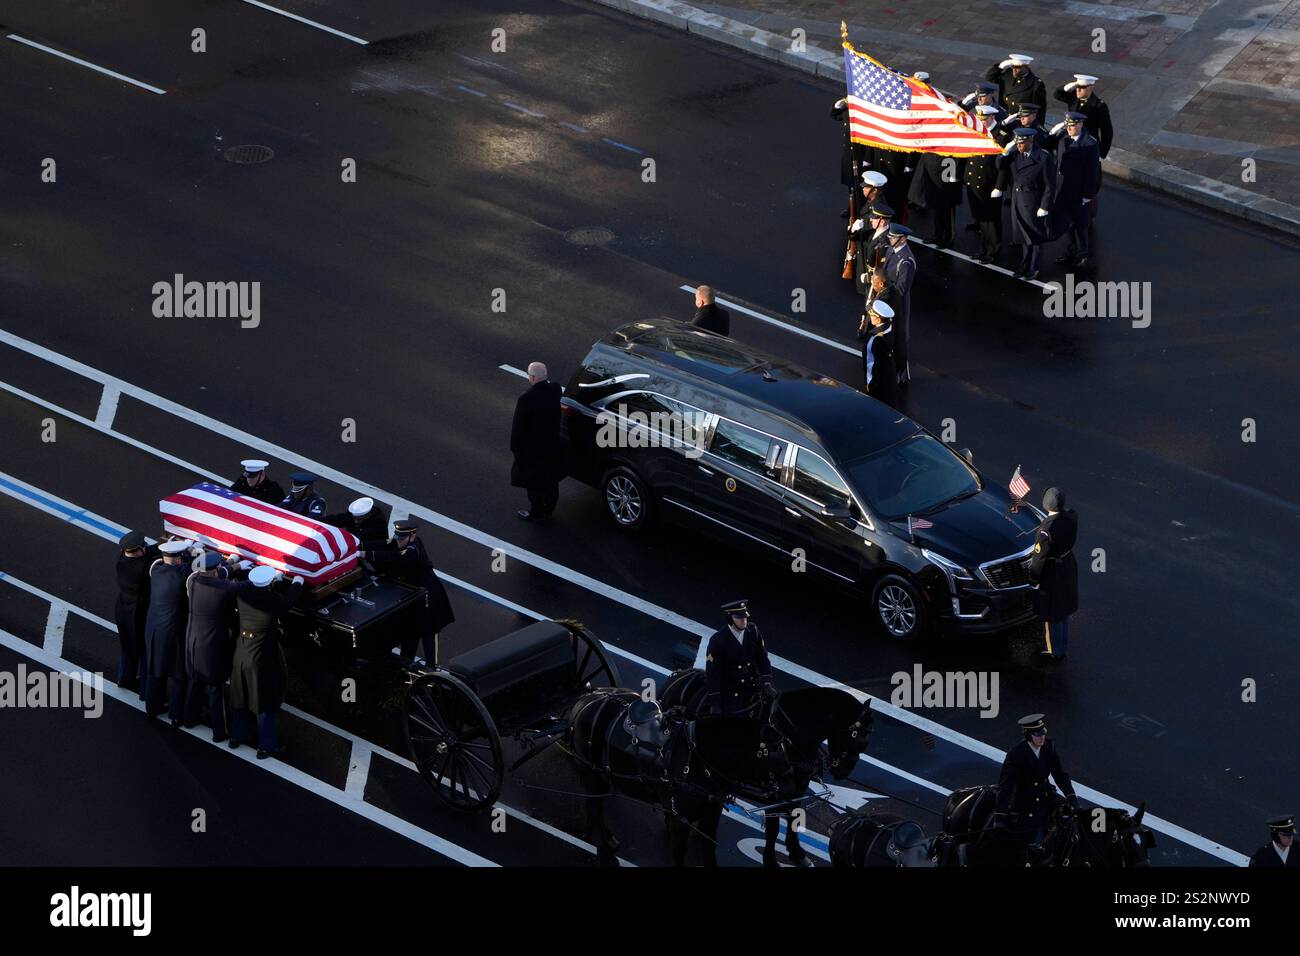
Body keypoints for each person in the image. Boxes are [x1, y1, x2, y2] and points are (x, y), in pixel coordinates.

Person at [229, 565, 304, 759]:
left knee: (240, 695)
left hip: (241, 652)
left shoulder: (242, 594)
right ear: (270, 585)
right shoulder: (272, 601)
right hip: (262, 656)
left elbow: (244, 584)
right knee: (265, 700)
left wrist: (272, 578)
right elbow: (288, 601)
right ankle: (266, 745)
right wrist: (296, 583)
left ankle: (237, 736)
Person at [360, 520, 455, 664]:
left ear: (413, 535)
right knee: (410, 631)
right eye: (398, 537)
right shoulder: (402, 542)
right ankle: (406, 663)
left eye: (402, 538)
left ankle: (431, 669)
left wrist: (363, 554)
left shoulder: (413, 550)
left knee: (429, 634)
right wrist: (357, 545)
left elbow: (394, 557)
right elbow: (384, 543)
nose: (398, 541)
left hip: (428, 595)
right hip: (414, 596)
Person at [993, 714, 1076, 846]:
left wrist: (1071, 797)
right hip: (1027, 802)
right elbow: (1006, 786)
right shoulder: (1016, 754)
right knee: (1026, 842)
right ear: (1028, 735)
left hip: (1047, 795)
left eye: (1043, 733)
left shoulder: (1049, 747)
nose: (1042, 737)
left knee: (1070, 818)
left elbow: (1060, 774)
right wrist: (1000, 815)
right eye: (1037, 735)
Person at [184, 551, 242, 742]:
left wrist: (232, 565)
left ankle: (189, 719)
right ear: (216, 570)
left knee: (194, 683)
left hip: (193, 642)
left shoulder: (193, 582)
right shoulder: (225, 589)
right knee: (215, 689)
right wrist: (238, 567)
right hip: (213, 647)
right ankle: (220, 731)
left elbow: (216, 577)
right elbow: (237, 587)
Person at [143, 538, 198, 722]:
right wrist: (193, 552)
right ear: (178, 560)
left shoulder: (156, 571)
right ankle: (176, 715)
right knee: (177, 674)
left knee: (155, 670)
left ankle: (152, 707)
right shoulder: (181, 575)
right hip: (173, 632)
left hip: (154, 630)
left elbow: (166, 561)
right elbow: (194, 568)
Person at [998, 126, 1057, 279]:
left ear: (1030, 141)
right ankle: (1024, 264)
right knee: (1023, 236)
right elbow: (999, 166)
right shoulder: (1015, 154)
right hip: (1018, 200)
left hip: (1033, 202)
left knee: (1035, 237)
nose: (1018, 146)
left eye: (1021, 143)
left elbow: (1050, 185)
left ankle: (1034, 267)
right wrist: (1005, 151)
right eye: (1017, 143)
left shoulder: (1043, 158)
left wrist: (1044, 206)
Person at [510, 361, 564, 522]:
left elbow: (518, 429)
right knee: (551, 480)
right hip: (552, 445)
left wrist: (516, 450)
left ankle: (537, 512)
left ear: (532, 377)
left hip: (533, 450)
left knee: (533, 483)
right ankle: (550, 508)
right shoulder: (555, 389)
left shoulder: (526, 399)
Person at [702, 600, 775, 718]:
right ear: (730, 619)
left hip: (753, 684)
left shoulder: (753, 631)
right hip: (731, 691)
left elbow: (762, 658)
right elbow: (713, 673)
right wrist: (715, 702)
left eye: (745, 617)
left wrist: (766, 682)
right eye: (739, 618)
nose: (744, 621)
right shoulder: (718, 640)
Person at [1030, 487, 1078, 661]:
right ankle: (1062, 645)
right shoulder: (1072, 516)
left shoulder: (1045, 531)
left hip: (1053, 572)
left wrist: (1033, 579)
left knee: (1052, 613)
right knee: (1063, 609)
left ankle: (1054, 651)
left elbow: (1039, 560)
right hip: (1068, 564)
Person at [1049, 113, 1101, 268]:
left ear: (1081, 125)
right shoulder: (1063, 137)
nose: (1069, 128)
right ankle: (1071, 249)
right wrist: (1054, 131)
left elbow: (1092, 173)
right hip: (1063, 189)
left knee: (1080, 224)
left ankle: (1083, 253)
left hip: (1078, 192)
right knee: (1067, 223)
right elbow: (1048, 145)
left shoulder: (1089, 144)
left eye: (1072, 125)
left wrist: (1087, 195)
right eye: (1067, 125)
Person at [114, 530, 159, 699]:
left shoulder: (121, 559)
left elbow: (148, 552)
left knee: (128, 647)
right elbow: (155, 562)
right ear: (138, 549)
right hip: (139, 614)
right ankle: (146, 691)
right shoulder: (143, 567)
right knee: (145, 651)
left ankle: (125, 678)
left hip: (123, 610)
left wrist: (164, 546)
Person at [965, 105, 1006, 263]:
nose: (981, 122)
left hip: (990, 185)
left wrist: (999, 187)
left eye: (984, 120)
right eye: (979, 120)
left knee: (992, 221)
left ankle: (993, 251)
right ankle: (983, 249)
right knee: (981, 220)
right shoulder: (977, 133)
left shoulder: (1000, 136)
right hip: (975, 182)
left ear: (992, 118)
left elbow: (1002, 167)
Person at [882, 223, 917, 387]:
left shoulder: (907, 261)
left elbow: (901, 288)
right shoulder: (891, 250)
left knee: (900, 339)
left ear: (903, 239)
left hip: (898, 304)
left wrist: (883, 286)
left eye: (893, 237)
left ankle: (902, 373)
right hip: (887, 299)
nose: (889, 238)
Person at [907, 152, 963, 248]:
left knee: (947, 207)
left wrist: (955, 173)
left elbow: (959, 152)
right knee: (936, 204)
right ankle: (938, 234)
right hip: (933, 167)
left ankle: (948, 237)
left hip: (948, 168)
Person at [1053, 74, 1113, 160]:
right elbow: (1057, 94)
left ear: (1091, 88)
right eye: (1077, 87)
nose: (1078, 89)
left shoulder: (1099, 106)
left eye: (1082, 87)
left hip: (1087, 143)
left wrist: (1102, 153)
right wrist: (1066, 86)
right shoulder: (1073, 97)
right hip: (1070, 138)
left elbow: (1107, 131)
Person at [858, 299, 898, 409]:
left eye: (872, 316)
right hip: (889, 375)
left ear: (878, 318)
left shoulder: (875, 339)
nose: (870, 318)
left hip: (878, 384)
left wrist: (869, 385)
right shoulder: (889, 326)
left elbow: (870, 364)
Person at [831, 96, 866, 218]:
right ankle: (851, 208)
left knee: (860, 186)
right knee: (850, 184)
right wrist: (838, 105)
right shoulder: (848, 112)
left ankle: (859, 211)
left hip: (860, 155)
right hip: (848, 154)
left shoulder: (865, 115)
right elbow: (835, 116)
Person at [325, 496, 390, 548]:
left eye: (359, 519)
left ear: (367, 516)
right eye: (354, 519)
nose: (355, 521)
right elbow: (337, 519)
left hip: (371, 550)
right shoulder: (353, 515)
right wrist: (316, 520)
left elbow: (358, 538)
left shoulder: (378, 524)